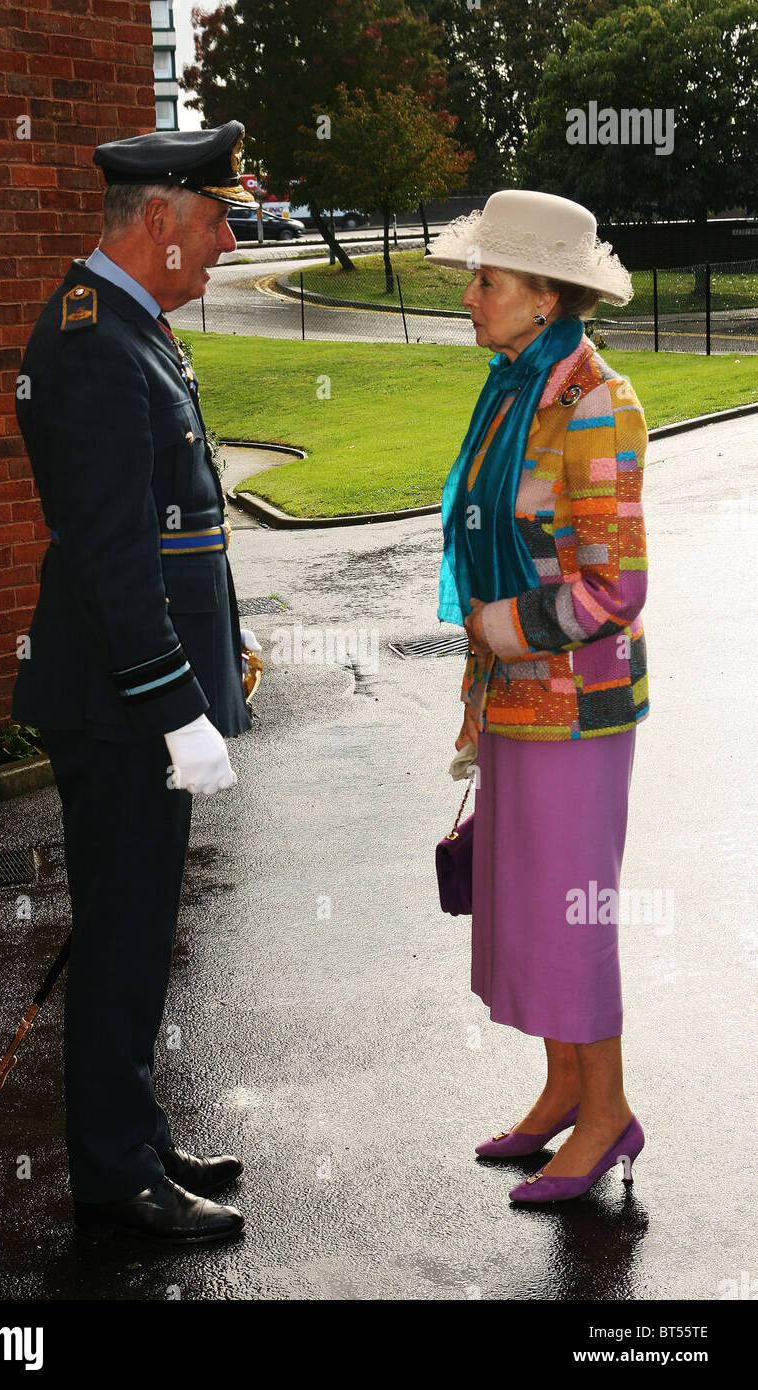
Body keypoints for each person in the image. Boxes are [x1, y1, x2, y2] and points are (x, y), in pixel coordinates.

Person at [12, 122, 262, 1244]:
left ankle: (135, 1129)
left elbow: (184, 530)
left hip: (143, 699)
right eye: (213, 221)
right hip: (122, 710)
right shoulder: (93, 344)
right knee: (118, 938)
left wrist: (226, 647)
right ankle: (114, 1177)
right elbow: (114, 560)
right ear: (158, 219)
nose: (223, 242)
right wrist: (177, 710)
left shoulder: (131, 325)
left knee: (139, 928)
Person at [427, 191, 649, 1203]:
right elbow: (486, 542)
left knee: (571, 913)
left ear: (543, 296)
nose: (468, 296)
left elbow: (611, 588)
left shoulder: (597, 401)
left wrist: (496, 630)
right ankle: (560, 1087)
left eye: (486, 279)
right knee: (527, 906)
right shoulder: (516, 391)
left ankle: (605, 1112)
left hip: (576, 703)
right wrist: (483, 678)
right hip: (520, 701)